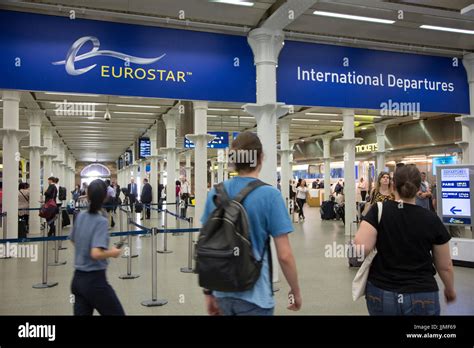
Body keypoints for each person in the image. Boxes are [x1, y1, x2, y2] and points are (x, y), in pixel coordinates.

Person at [201, 131, 301, 316]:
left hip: (221, 291)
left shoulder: (215, 193)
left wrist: (208, 292)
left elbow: (206, 245)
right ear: (261, 158)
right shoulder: (271, 196)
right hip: (256, 297)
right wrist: (295, 290)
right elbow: (285, 255)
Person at [355, 164, 456, 315]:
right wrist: (449, 289)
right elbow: (445, 265)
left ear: (393, 184)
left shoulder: (379, 211)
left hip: (382, 291)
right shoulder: (431, 219)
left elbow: (361, 248)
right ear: (418, 188)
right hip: (422, 293)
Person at [70, 179, 125, 316]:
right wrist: (112, 252)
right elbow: (96, 253)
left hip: (77, 280)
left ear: (87, 195)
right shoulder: (101, 220)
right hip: (95, 281)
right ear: (105, 197)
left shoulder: (81, 216)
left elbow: (73, 239)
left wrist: (84, 249)